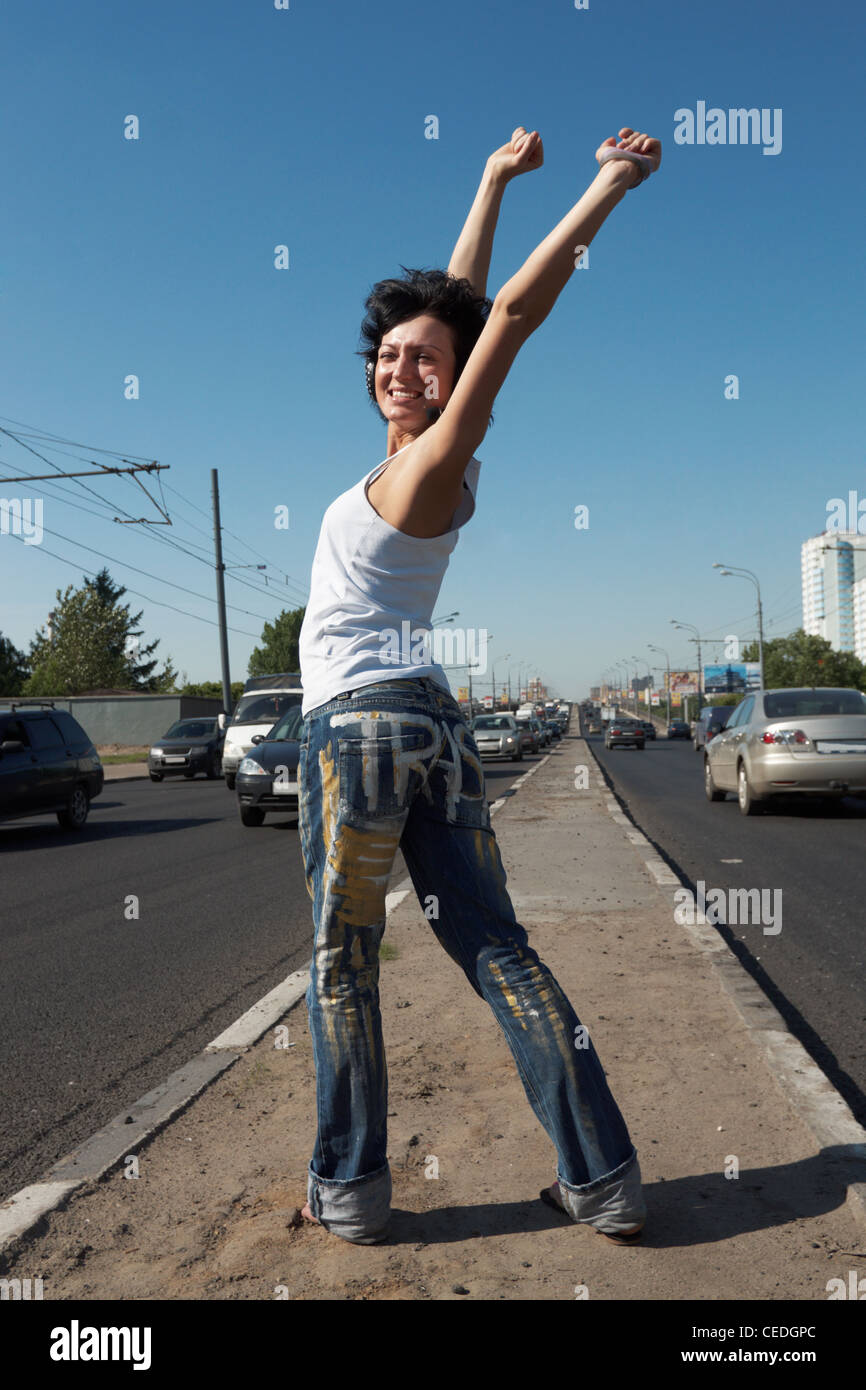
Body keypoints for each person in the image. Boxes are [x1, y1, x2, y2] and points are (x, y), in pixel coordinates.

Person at [297, 126, 662, 1245]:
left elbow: (498, 316)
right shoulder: (420, 462)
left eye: (422, 361)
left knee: (344, 968)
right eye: (387, 354)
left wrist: (605, 188)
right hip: (433, 732)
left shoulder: (430, 462)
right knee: (497, 952)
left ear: (452, 387)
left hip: (355, 737)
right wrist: (491, 180)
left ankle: (350, 1189)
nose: (400, 366)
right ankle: (602, 1179)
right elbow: (461, 302)